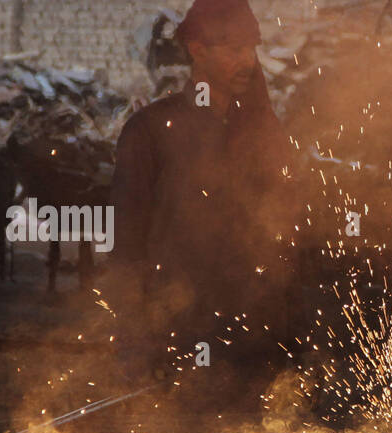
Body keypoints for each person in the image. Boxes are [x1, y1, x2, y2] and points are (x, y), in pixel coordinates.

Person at [106, 0, 297, 408]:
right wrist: (135, 341)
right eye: (233, 50)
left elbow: (290, 229)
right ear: (198, 50)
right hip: (179, 337)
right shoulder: (150, 132)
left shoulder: (263, 136)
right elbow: (125, 245)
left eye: (251, 49)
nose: (246, 61)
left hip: (255, 343)